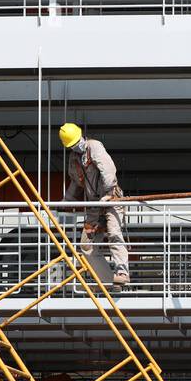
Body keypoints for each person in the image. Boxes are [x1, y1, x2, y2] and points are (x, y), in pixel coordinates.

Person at [60, 123, 130, 287]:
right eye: (73, 145)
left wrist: (108, 192)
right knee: (86, 245)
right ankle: (109, 282)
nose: (77, 147)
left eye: (77, 142)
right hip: (94, 206)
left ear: (81, 137)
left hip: (112, 199)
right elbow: (76, 183)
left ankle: (122, 272)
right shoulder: (74, 159)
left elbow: (108, 170)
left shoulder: (94, 147)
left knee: (114, 233)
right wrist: (65, 201)